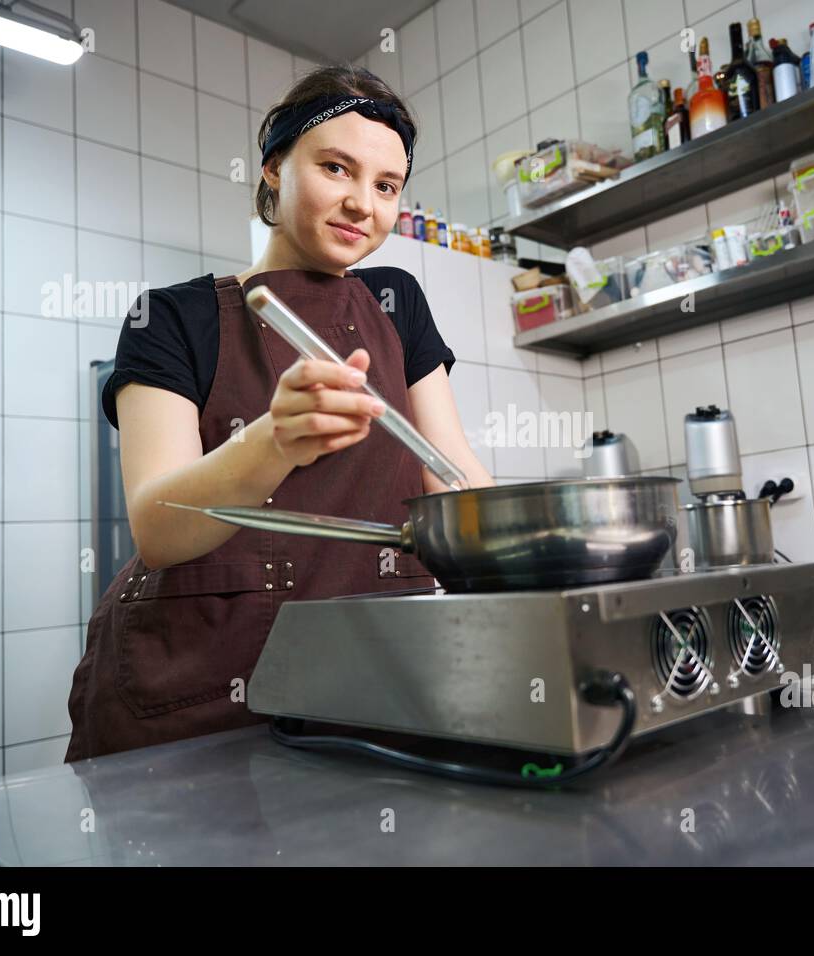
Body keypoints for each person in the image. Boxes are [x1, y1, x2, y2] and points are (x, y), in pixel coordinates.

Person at [66, 65, 493, 761]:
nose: (363, 204)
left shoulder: (397, 303)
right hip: (196, 691)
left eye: (386, 186)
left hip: (373, 676)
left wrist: (546, 548)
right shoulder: (171, 317)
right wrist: (275, 439)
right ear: (273, 166)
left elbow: (452, 473)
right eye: (335, 167)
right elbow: (157, 529)